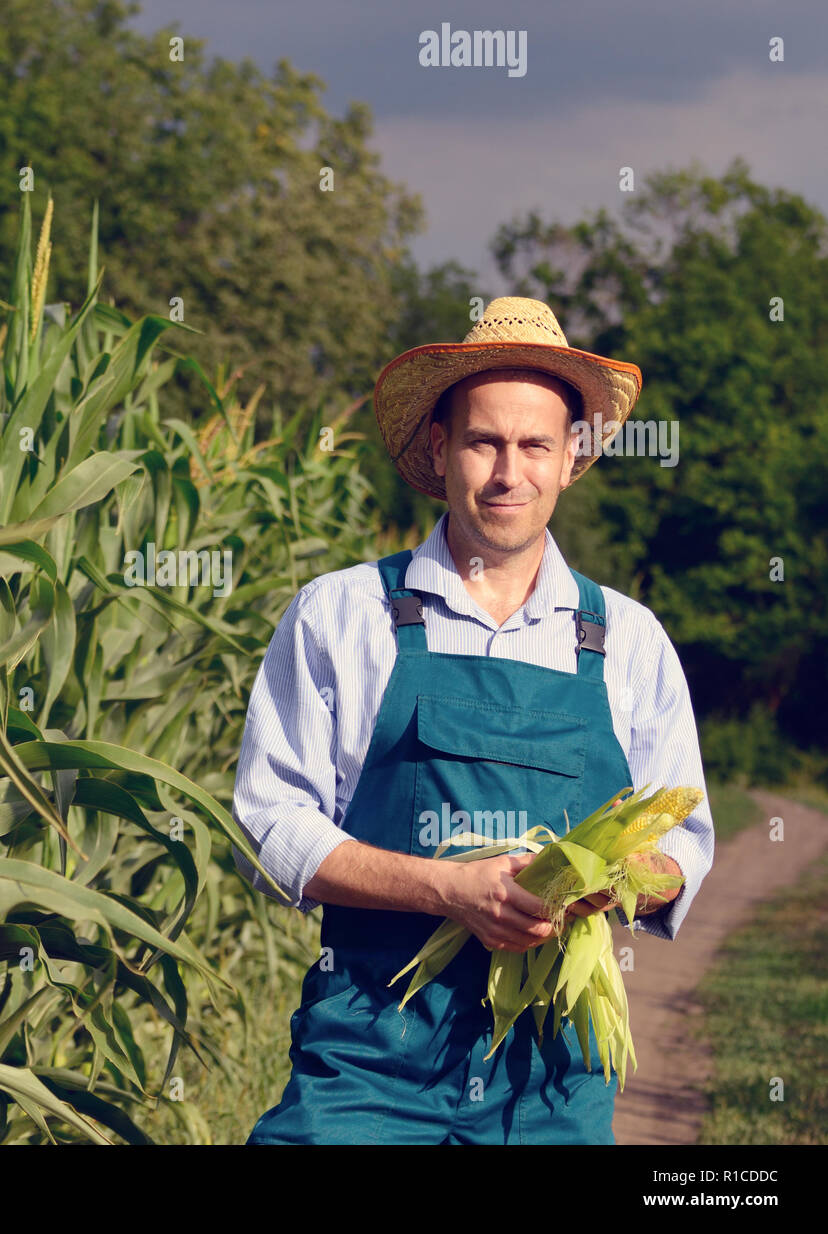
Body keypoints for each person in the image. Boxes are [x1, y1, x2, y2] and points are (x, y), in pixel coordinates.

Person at [234, 296, 714, 1145]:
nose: (508, 473)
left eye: (534, 445)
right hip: (370, 1060)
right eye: (484, 441)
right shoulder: (344, 614)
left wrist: (578, 885)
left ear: (572, 456)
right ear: (439, 448)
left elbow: (682, 851)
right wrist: (450, 891)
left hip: (553, 1078)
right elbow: (273, 827)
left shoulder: (627, 640)